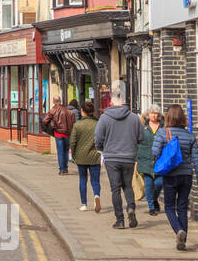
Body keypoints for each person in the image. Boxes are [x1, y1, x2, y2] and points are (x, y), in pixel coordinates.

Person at [153, 103, 198, 251]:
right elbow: (197, 159)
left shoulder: (162, 133)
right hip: (186, 176)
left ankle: (178, 231)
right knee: (182, 207)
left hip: (170, 175)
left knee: (169, 207)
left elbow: (154, 152)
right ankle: (183, 240)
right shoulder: (190, 135)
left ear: (168, 117)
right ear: (183, 117)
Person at [96, 83, 143, 230]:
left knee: (115, 189)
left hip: (111, 158)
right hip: (129, 157)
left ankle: (120, 220)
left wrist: (101, 149)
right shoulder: (134, 118)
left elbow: (97, 138)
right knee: (127, 186)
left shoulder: (104, 118)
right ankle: (131, 208)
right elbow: (141, 138)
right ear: (124, 101)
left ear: (111, 102)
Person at [69, 99, 102, 213]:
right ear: (92, 111)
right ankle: (96, 195)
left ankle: (84, 204)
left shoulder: (77, 125)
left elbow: (73, 142)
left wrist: (73, 155)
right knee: (95, 180)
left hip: (81, 156)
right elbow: (102, 140)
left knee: (83, 179)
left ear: (82, 111)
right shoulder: (98, 124)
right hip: (95, 156)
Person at [137, 107, 163, 215]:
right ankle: (151, 208)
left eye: (156, 114)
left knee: (159, 183)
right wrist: (136, 160)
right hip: (145, 161)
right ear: (148, 115)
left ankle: (154, 198)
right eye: (152, 113)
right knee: (148, 185)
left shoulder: (163, 128)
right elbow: (137, 145)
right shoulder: (143, 128)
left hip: (160, 161)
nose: (154, 116)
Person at [43, 96, 76, 176]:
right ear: (60, 101)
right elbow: (73, 123)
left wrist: (49, 128)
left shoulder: (52, 111)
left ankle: (62, 169)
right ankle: (65, 168)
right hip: (67, 134)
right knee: (66, 151)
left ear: (53, 102)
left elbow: (45, 121)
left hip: (58, 133)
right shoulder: (69, 111)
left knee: (60, 152)